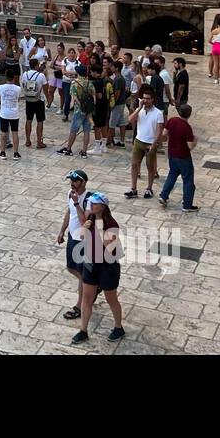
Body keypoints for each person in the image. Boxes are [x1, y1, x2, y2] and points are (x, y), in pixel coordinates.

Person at [72, 193, 125, 344]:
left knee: (111, 298)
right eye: (91, 203)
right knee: (87, 298)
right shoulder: (91, 218)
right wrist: (84, 228)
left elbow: (110, 248)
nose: (91, 205)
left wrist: (98, 229)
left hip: (107, 266)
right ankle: (83, 330)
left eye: (94, 204)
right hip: (90, 263)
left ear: (103, 206)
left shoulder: (111, 224)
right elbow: (83, 238)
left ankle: (118, 327)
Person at [57, 170, 91, 321]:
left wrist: (77, 202)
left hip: (82, 240)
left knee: (81, 271)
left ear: (83, 183)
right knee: (71, 268)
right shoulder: (70, 193)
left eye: (75, 181)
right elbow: (69, 212)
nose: (72, 183)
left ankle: (79, 305)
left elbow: (85, 221)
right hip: (72, 236)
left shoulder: (89, 199)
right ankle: (91, 284)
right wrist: (62, 231)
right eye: (71, 180)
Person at [158, 104, 198, 212]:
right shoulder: (187, 127)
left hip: (172, 154)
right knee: (188, 180)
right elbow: (190, 146)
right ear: (189, 114)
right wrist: (195, 141)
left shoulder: (172, 120)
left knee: (172, 174)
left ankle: (164, 195)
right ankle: (187, 205)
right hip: (184, 157)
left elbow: (164, 133)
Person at [126, 86, 164, 199]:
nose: (145, 100)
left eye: (148, 98)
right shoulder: (140, 110)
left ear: (152, 99)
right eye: (144, 98)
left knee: (150, 167)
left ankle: (149, 188)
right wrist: (138, 109)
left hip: (149, 143)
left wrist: (154, 144)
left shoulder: (158, 113)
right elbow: (130, 120)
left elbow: (159, 130)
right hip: (139, 140)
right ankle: (133, 188)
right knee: (134, 165)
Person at [57, 64, 95, 157]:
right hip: (89, 110)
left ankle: (69, 149)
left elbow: (74, 99)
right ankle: (84, 151)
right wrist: (90, 108)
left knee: (74, 130)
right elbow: (94, 97)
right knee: (86, 131)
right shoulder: (90, 83)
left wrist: (81, 107)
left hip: (79, 111)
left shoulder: (74, 84)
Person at [0, 63, 22, 160]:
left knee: (3, 133)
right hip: (14, 113)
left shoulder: (1, 87)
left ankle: (2, 152)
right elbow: (18, 99)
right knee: (15, 133)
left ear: (6, 77)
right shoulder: (18, 88)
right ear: (14, 77)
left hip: (4, 113)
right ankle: (16, 153)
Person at [22, 58, 48, 150]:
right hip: (39, 99)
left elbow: (23, 85)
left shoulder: (25, 74)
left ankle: (28, 140)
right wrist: (48, 99)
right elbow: (45, 88)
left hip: (29, 99)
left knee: (29, 119)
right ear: (36, 65)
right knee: (40, 121)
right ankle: (39, 142)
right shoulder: (41, 76)